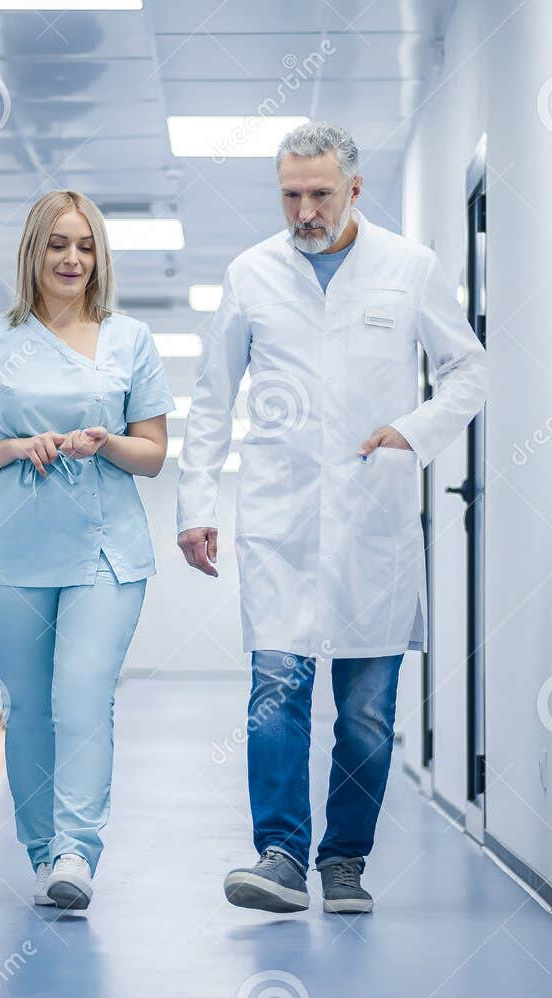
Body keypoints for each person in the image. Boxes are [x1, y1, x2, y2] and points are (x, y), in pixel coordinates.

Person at [176, 122, 488, 915]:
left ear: (354, 188)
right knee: (275, 689)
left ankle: (344, 859)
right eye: (291, 194)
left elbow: (468, 369)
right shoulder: (251, 274)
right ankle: (279, 855)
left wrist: (410, 434)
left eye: (319, 193)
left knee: (367, 712)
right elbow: (213, 398)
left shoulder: (408, 268)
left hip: (371, 518)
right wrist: (197, 506)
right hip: (280, 519)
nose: (304, 210)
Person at [0, 189, 172, 911]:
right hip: (12, 550)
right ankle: (43, 852)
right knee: (29, 708)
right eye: (57, 244)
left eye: (85, 245)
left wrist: (107, 442)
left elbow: (154, 453)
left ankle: (76, 849)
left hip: (105, 550)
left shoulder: (130, 339)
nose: (72, 258)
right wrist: (14, 446)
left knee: (82, 696)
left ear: (100, 256)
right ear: (32, 252)